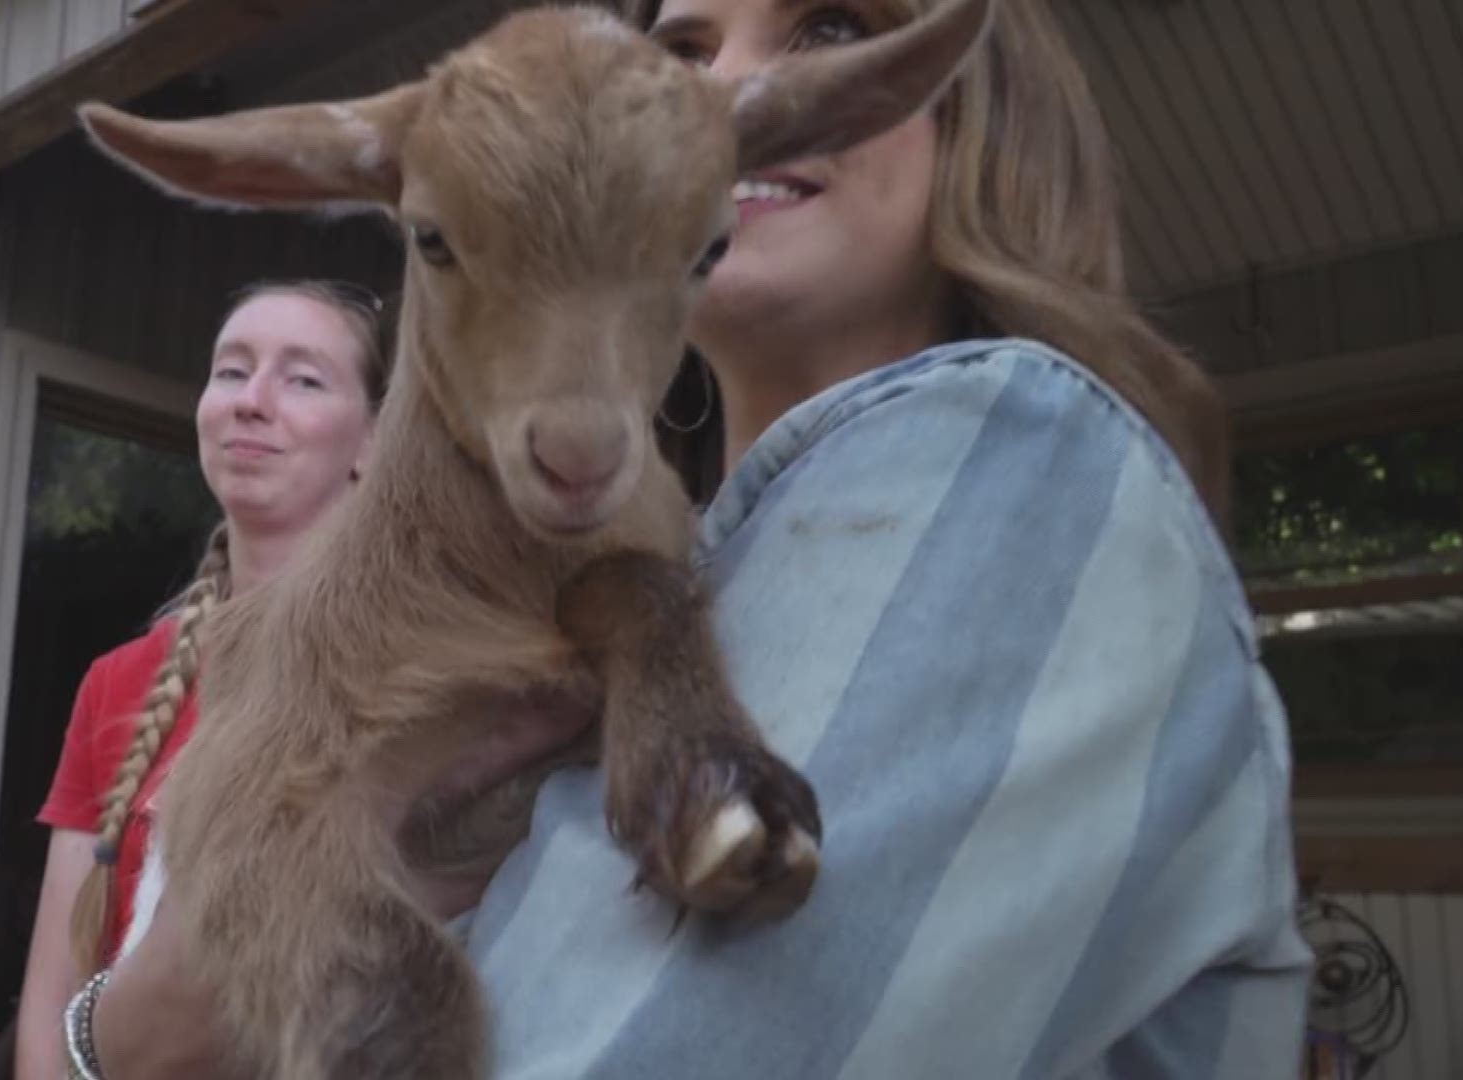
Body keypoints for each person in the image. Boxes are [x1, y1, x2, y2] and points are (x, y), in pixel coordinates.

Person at [87, 0, 1313, 1075]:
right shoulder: (719, 548)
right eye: (676, 50)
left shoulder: (1031, 465)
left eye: (829, 25)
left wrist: (129, 1041)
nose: (723, 88)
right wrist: (117, 1039)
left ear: (969, 108)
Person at [11, 280, 395, 1079]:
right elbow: (52, 1000)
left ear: (371, 441)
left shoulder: (418, 663)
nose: (251, 401)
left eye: (303, 378)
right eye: (231, 371)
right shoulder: (117, 684)